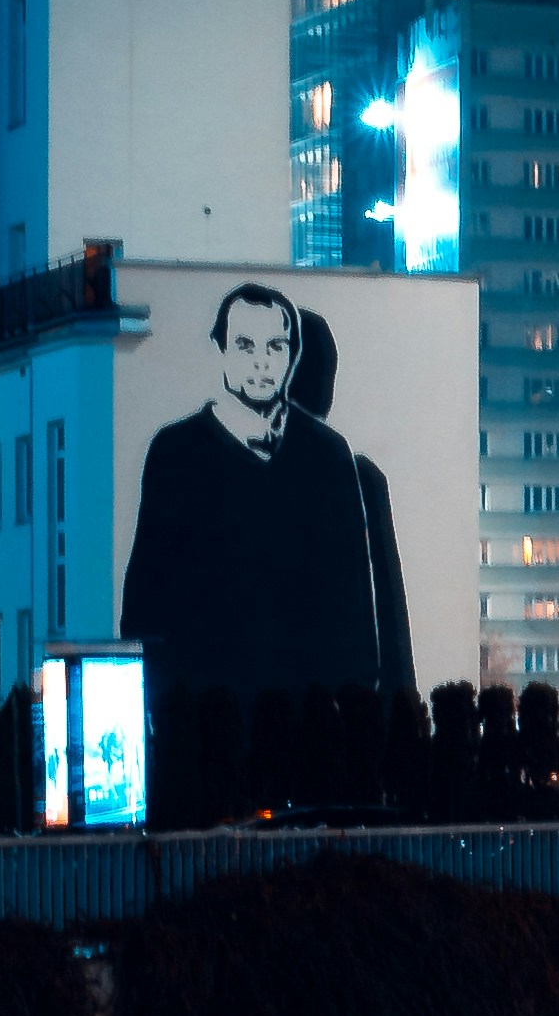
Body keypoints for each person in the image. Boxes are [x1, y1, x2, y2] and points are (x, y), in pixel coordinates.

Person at [123, 277, 420, 721]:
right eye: (245, 346)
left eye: (275, 348)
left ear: (291, 356)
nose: (261, 363)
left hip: (310, 724)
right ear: (221, 349)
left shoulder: (327, 453)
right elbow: (147, 596)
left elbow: (355, 603)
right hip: (209, 720)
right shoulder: (177, 453)